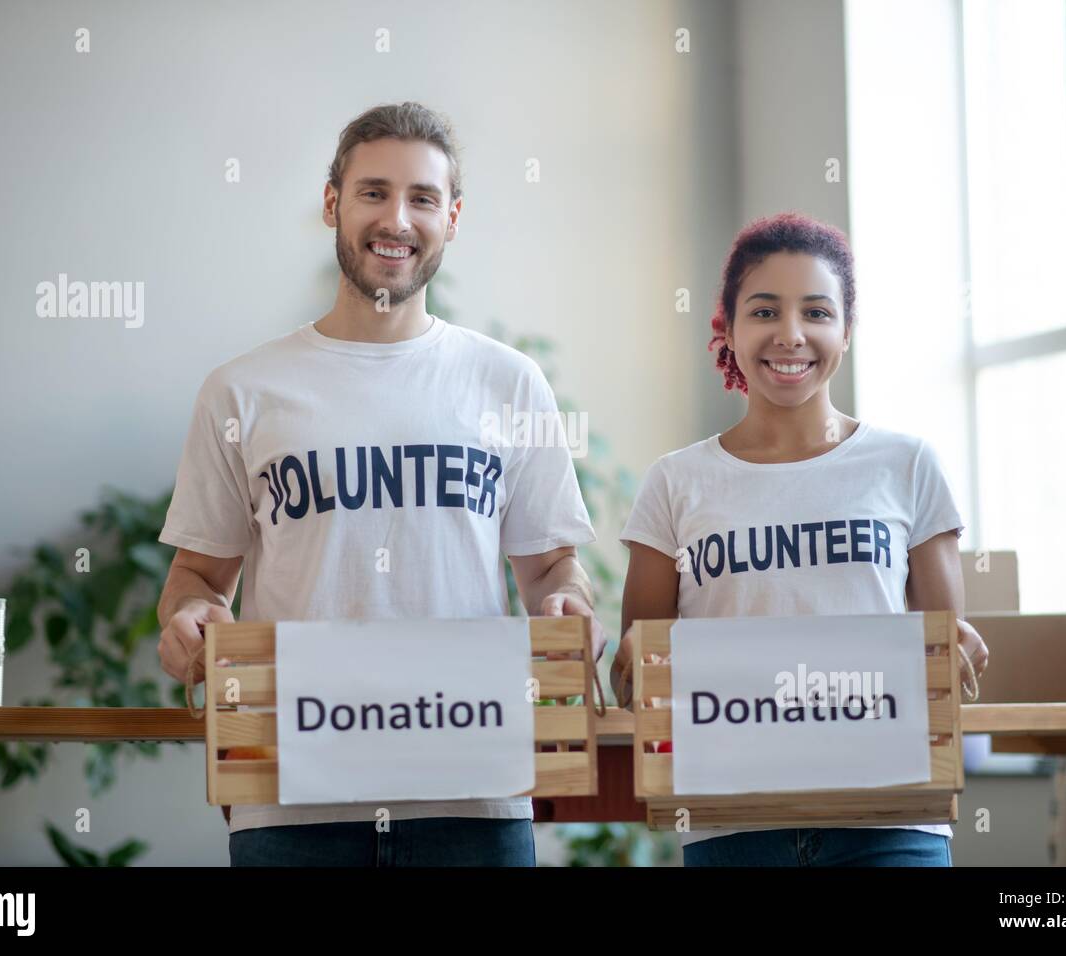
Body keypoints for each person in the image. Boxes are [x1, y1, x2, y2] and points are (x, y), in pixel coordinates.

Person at [155, 102, 603, 867]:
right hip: (289, 802)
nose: (396, 218)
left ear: (452, 218)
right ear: (333, 203)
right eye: (373, 192)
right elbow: (196, 580)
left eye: (422, 198)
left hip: (474, 800)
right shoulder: (241, 391)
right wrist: (191, 620)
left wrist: (569, 604)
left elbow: (553, 572)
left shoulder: (510, 382)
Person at [609, 212, 988, 867]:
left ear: (846, 329)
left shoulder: (908, 465)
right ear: (726, 329)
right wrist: (639, 668)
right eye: (764, 312)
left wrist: (956, 651)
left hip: (891, 819)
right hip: (732, 824)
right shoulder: (674, 483)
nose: (791, 335)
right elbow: (637, 675)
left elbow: (942, 662)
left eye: (816, 312)